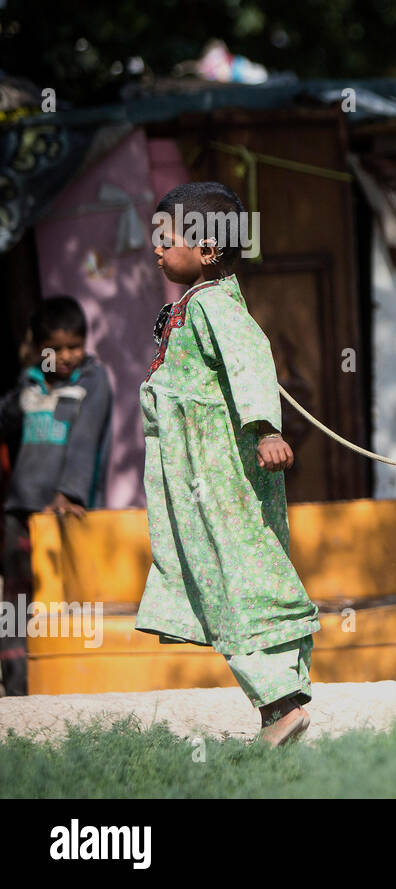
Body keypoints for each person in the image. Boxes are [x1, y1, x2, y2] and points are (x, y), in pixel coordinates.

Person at [136, 181, 318, 745]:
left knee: (237, 580)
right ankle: (277, 709)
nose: (156, 247)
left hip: (219, 479)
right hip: (194, 479)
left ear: (208, 250)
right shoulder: (191, 305)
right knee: (222, 582)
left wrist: (265, 429)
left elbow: (250, 360)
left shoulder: (216, 306)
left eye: (166, 237)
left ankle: (283, 705)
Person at [0, 297, 112, 695]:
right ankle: (16, 686)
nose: (66, 356)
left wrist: (69, 494)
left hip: (68, 509)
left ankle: (73, 686)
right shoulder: (30, 381)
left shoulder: (93, 381)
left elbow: (85, 442)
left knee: (69, 597)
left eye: (74, 346)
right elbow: (7, 422)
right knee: (15, 600)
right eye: (55, 348)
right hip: (21, 507)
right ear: (39, 346)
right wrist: (28, 374)